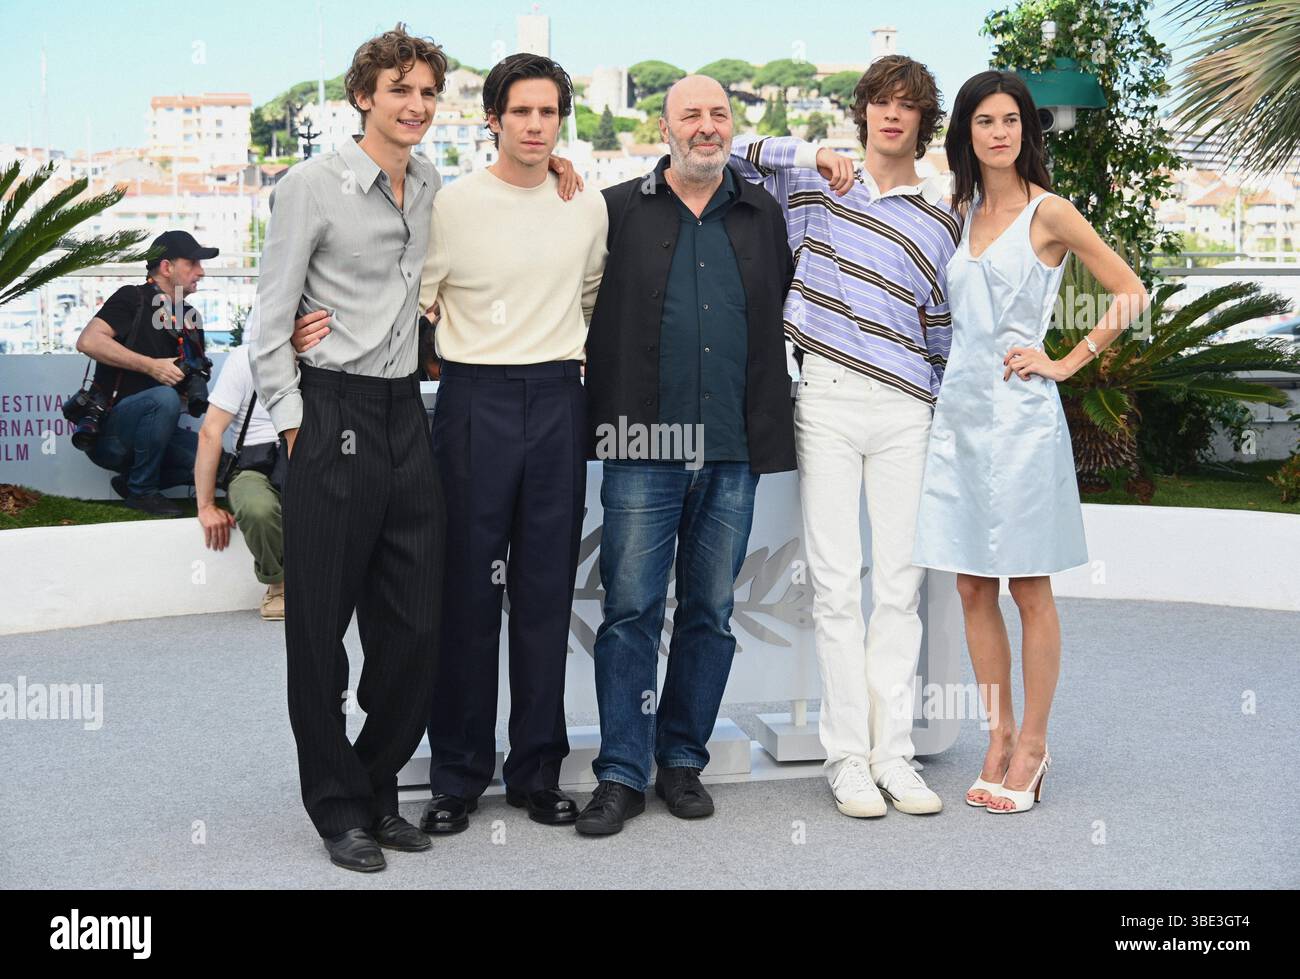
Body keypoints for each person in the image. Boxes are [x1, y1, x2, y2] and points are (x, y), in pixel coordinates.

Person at [728, 56, 960, 818]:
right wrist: (811, 153)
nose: (892, 116)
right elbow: (725, 153)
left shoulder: (942, 212)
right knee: (834, 584)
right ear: (862, 112)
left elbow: (940, 325)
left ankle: (893, 753)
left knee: (898, 585)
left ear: (925, 121)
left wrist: (936, 392)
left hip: (908, 408)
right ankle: (847, 758)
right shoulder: (816, 183)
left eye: (907, 106)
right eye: (880, 103)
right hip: (824, 393)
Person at [912, 71, 1147, 813]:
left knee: (1028, 585)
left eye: (1011, 119)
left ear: (1026, 131)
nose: (999, 132)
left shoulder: (1050, 213)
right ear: (967, 133)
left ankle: (1035, 745)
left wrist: (1065, 361)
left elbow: (1129, 291)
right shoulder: (959, 208)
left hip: (1019, 420)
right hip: (959, 418)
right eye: (985, 121)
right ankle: (998, 732)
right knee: (972, 585)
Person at [574, 75, 797, 836]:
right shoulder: (612, 210)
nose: (706, 127)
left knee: (710, 611)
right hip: (642, 444)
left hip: (732, 448)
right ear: (662, 128)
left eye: (719, 115)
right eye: (690, 115)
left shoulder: (764, 212)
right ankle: (621, 772)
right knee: (631, 611)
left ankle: (682, 758)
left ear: (733, 126)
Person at [249, 25, 450, 873]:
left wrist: (556, 169)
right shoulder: (311, 186)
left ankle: (373, 782)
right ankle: (338, 808)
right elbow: (270, 319)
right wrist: (295, 420)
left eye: (428, 93)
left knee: (415, 627)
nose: (415, 106)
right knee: (320, 630)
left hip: (407, 411)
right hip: (330, 408)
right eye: (399, 89)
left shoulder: (433, 181)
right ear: (362, 95)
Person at [413, 53, 606, 833]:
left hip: (559, 397)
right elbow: (416, 306)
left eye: (548, 112)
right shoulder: (450, 207)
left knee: (545, 598)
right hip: (472, 403)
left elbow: (589, 297)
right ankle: (457, 775)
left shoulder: (584, 204)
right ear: (492, 118)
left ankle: (536, 771)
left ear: (561, 120)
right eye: (520, 111)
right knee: (465, 594)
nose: (535, 125)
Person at [74, 230, 215, 517]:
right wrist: (152, 366)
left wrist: (191, 387)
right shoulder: (133, 298)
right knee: (163, 398)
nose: (201, 272)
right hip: (111, 436)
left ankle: (132, 483)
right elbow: (88, 341)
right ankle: (142, 493)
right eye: (193, 263)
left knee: (214, 461)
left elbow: (187, 388)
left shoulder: (190, 318)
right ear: (167, 267)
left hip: (158, 434)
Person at [194, 305, 286, 620]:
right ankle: (279, 584)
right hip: (255, 464)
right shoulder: (245, 360)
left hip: (310, 457)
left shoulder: (326, 360)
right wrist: (205, 505)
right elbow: (210, 432)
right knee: (257, 508)